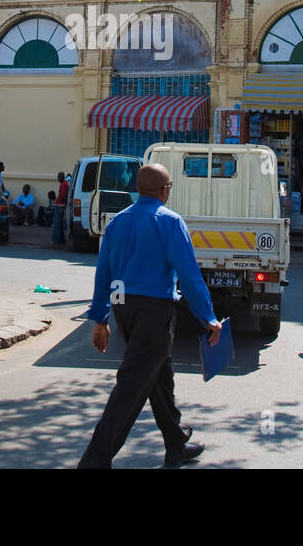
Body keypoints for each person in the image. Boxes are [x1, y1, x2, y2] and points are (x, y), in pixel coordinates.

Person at [77, 163, 221, 469]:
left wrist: (100, 319)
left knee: (159, 376)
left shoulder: (117, 222)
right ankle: (95, 460)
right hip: (155, 310)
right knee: (132, 385)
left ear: (138, 189)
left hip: (123, 308)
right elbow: (189, 275)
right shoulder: (169, 221)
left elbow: (103, 273)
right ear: (165, 190)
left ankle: (176, 444)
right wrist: (208, 317)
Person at [52, 171, 69, 248]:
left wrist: (59, 202)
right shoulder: (65, 184)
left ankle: (56, 241)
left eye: (59, 177)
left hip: (60, 205)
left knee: (57, 225)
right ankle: (61, 241)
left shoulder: (63, 184)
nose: (58, 178)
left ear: (62, 177)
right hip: (60, 205)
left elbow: (63, 195)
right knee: (59, 225)